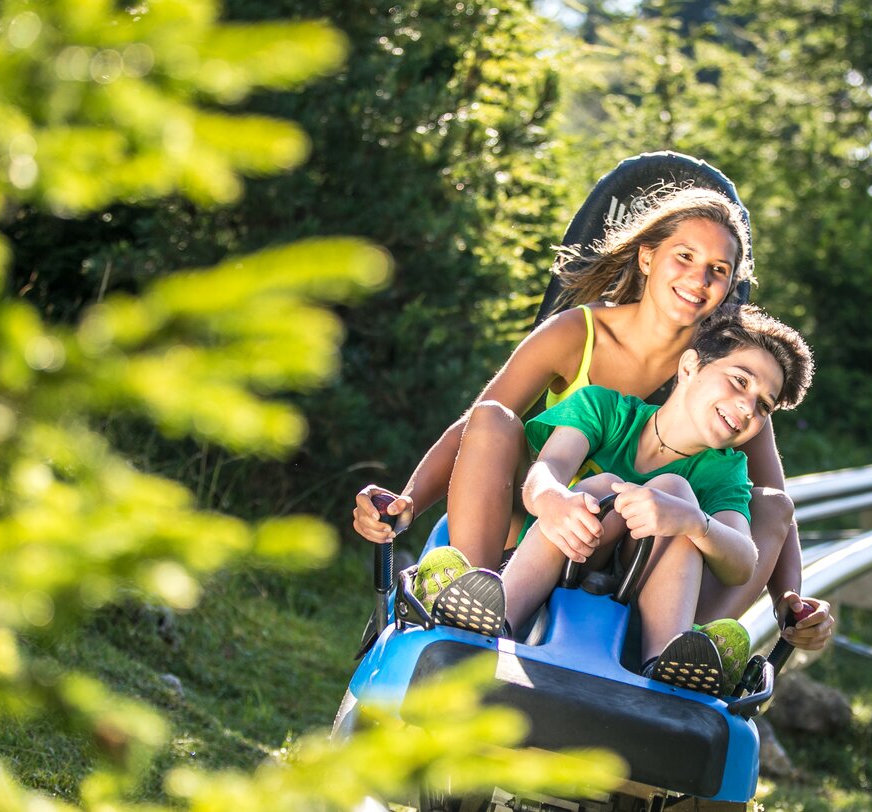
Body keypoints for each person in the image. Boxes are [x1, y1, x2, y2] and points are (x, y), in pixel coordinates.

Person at [352, 186, 834, 652]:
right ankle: (478, 597)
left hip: (643, 549)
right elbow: (477, 426)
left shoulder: (727, 382)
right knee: (494, 417)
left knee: (758, 504)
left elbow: (772, 512)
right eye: (684, 257)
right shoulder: (579, 334)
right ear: (647, 258)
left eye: (718, 270)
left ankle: (687, 648)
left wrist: (788, 599)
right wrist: (409, 501)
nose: (698, 279)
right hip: (545, 516)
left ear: (730, 287)